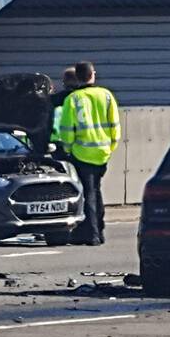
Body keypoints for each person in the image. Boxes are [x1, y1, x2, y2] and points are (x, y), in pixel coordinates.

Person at [57, 61, 120, 246]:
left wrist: (68, 149)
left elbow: (67, 129)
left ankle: (90, 234)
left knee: (88, 192)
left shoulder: (73, 99)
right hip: (102, 152)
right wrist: (111, 147)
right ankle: (99, 230)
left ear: (77, 77)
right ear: (93, 74)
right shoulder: (107, 96)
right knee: (96, 191)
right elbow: (115, 124)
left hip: (81, 152)